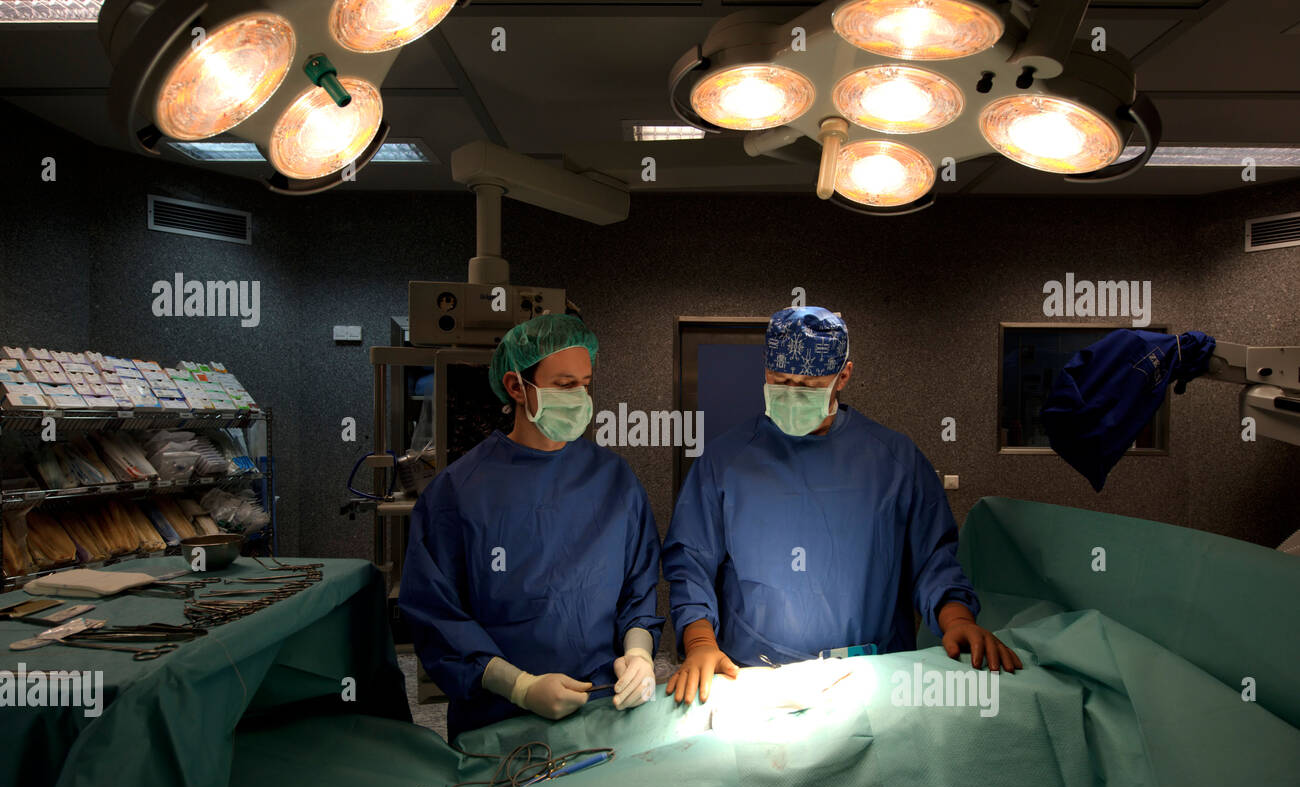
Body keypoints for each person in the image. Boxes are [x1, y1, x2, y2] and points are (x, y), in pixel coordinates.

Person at [661, 306, 1022, 705]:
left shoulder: (894, 460)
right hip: (755, 680)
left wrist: (956, 619)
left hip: (870, 680)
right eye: (782, 382)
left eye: (810, 385)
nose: (794, 394)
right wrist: (698, 642)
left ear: (843, 376)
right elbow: (691, 562)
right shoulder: (725, 462)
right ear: (765, 371)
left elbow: (933, 558)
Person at [400, 314, 663, 739]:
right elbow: (437, 617)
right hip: (499, 719)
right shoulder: (458, 493)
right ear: (516, 387)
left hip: (604, 707)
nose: (579, 397)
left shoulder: (614, 481)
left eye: (585, 383)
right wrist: (520, 687)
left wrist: (639, 655)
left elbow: (638, 590)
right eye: (563, 385)